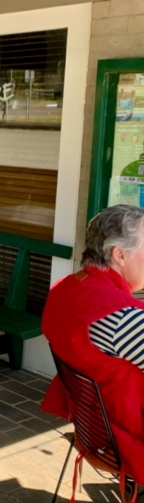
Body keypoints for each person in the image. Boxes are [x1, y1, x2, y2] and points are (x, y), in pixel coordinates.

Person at [41, 204, 144, 488]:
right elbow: (123, 325)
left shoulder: (67, 287)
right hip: (128, 436)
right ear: (119, 254)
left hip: (95, 428)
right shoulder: (123, 320)